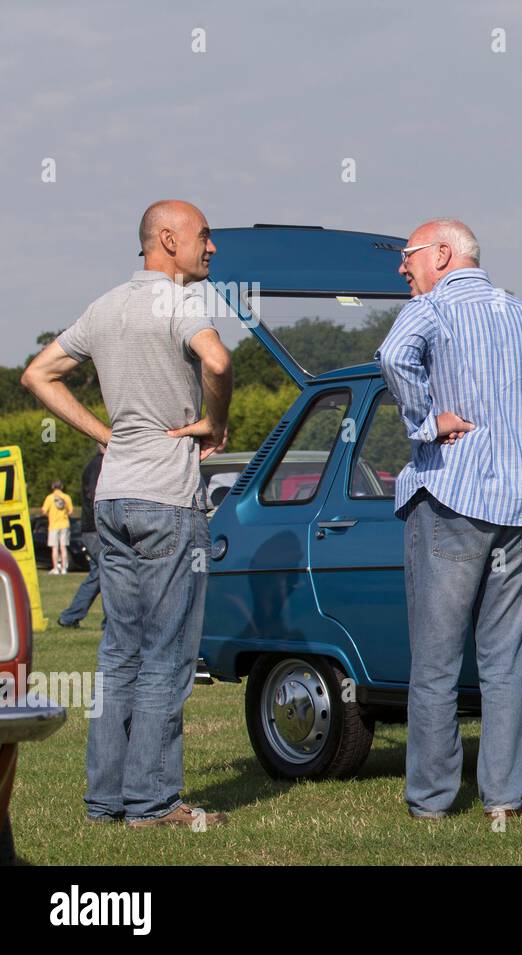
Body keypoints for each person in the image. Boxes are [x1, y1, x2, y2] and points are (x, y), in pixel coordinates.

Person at [21, 199, 232, 828]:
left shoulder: (105, 305)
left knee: (119, 654)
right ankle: (154, 803)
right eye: (204, 236)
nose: (212, 248)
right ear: (167, 239)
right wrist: (214, 423)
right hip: (168, 499)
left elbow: (39, 374)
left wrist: (104, 435)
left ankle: (104, 802)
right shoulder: (179, 302)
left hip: (113, 498)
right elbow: (218, 362)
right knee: (167, 656)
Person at [376, 218, 522, 823]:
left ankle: (432, 801)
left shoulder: (434, 307)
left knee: (436, 662)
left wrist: (424, 420)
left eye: (408, 255)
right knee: (507, 658)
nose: (402, 267)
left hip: (450, 497)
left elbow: (390, 356)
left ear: (442, 253)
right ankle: (507, 799)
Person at [58, 446, 106, 626]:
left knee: (99, 574)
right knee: (110, 573)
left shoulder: (98, 463)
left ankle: (70, 617)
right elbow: (95, 495)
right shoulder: (99, 464)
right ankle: (111, 622)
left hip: (92, 529)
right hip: (96, 528)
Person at [40, 480, 74, 574]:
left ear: (52, 487)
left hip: (53, 525)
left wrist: (49, 515)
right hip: (64, 524)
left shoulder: (49, 498)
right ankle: (64, 568)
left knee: (54, 547)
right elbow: (71, 512)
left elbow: (43, 511)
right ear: (61, 487)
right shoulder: (67, 497)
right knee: (63, 547)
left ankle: (55, 568)